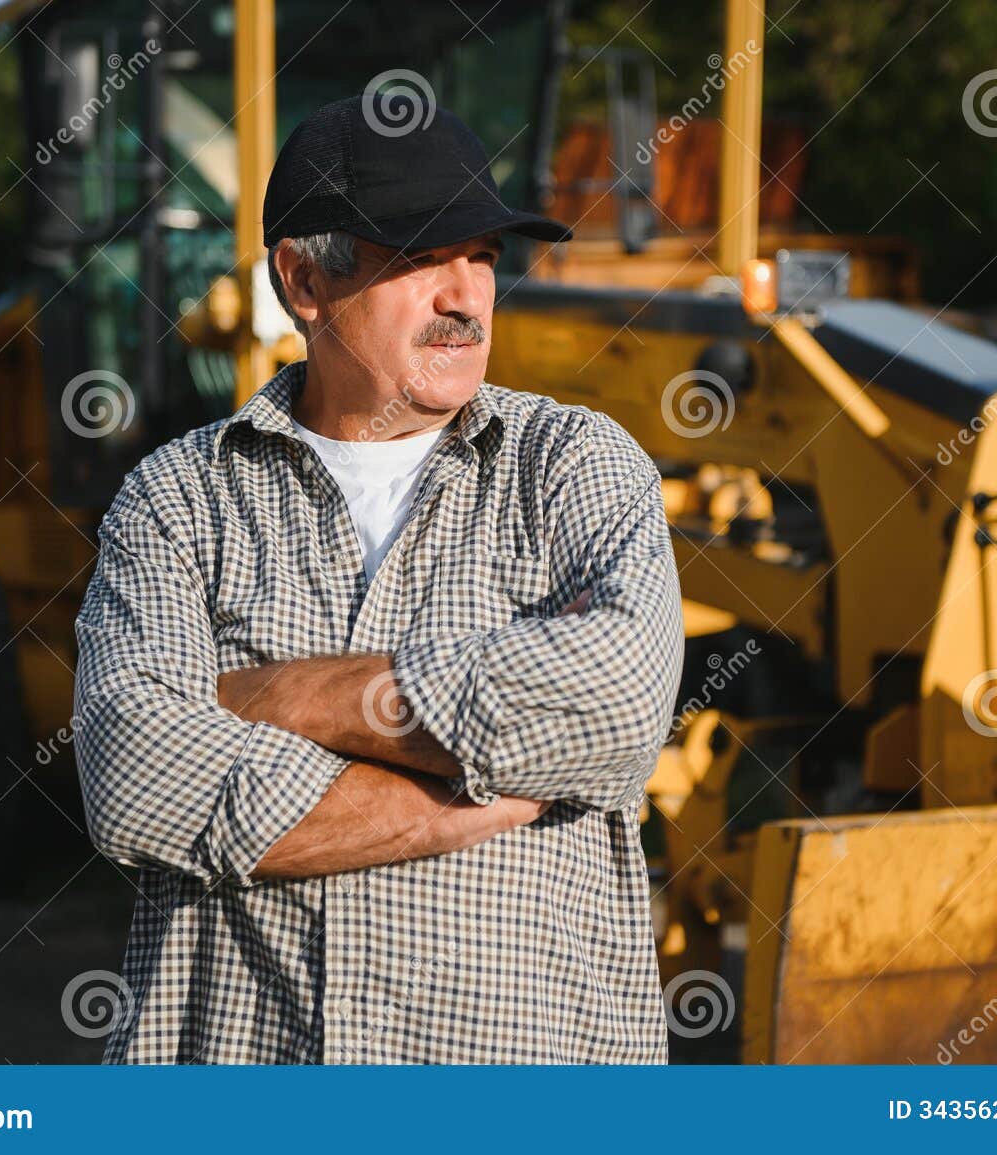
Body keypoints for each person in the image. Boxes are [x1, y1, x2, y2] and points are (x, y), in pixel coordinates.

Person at [72, 94, 685, 1063]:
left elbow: (618, 704)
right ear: (305, 279)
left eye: (482, 254)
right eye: (422, 257)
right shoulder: (178, 498)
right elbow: (135, 776)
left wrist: (273, 699)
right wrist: (476, 794)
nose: (467, 295)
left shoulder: (576, 465)